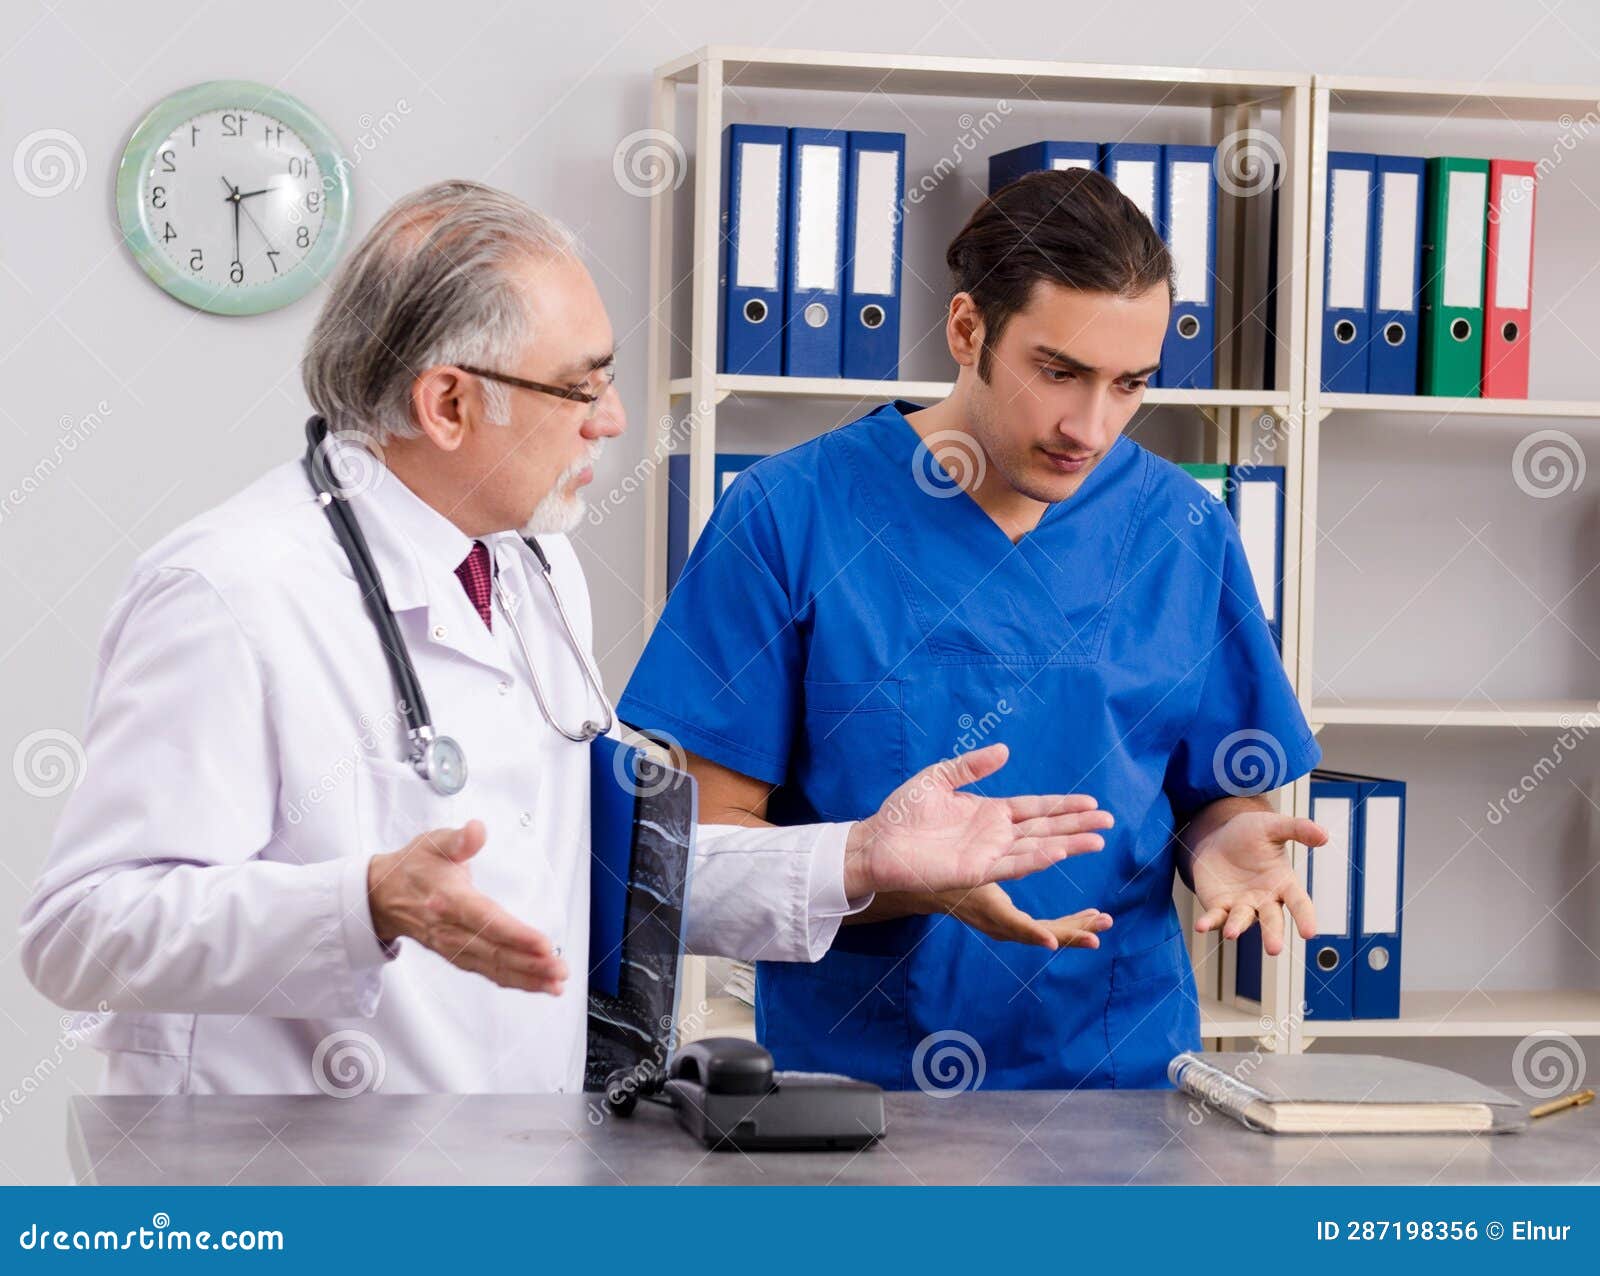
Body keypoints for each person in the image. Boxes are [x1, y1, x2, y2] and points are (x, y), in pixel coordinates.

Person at [19, 180, 1114, 1095]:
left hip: (504, 1164)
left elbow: (602, 880)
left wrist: (860, 857)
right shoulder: (232, 590)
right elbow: (79, 930)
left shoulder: (532, 570)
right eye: (579, 383)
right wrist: (360, 901)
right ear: (448, 403)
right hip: (284, 1185)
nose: (613, 419)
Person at [616, 168, 1327, 1090]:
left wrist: (1219, 842)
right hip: (859, 1091)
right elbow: (704, 845)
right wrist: (896, 872)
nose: (1091, 424)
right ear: (967, 330)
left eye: (1131, 384)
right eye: (1059, 372)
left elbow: (1207, 793)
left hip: (1119, 1083)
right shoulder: (789, 515)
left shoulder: (1181, 528)